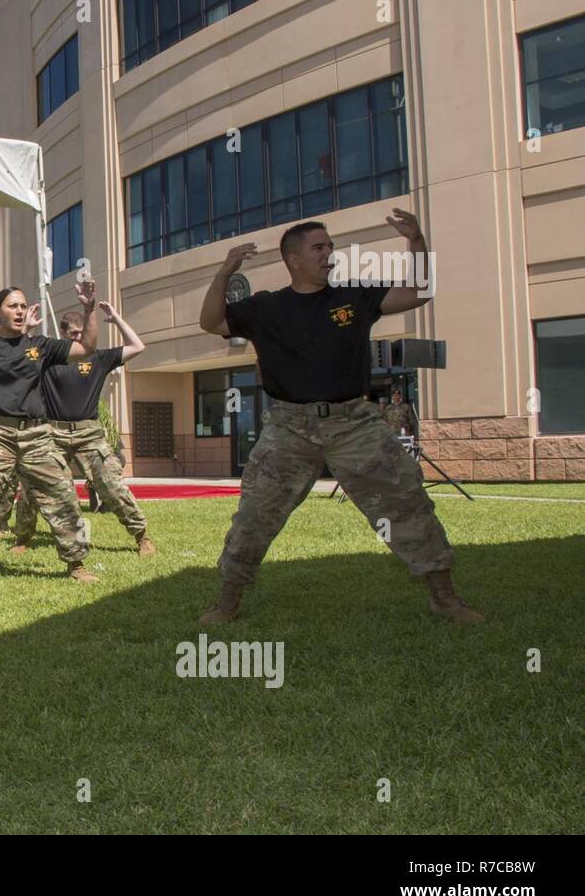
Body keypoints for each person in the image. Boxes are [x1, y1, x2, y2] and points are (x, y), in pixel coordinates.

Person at [197, 209, 482, 624]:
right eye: (319, 247)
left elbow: (419, 291)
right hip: (289, 427)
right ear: (294, 259)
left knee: (406, 504)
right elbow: (210, 321)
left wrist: (416, 240)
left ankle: (444, 598)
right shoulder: (265, 308)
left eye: (330, 246)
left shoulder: (354, 298)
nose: (329, 253)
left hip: (354, 423)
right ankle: (227, 601)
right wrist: (225, 272)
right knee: (255, 515)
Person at [0, 277, 100, 591]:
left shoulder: (40, 346)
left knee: (64, 498)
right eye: (13, 306)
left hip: (36, 434)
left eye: (23, 306)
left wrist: (89, 309)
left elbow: (86, 348)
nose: (20, 311)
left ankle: (76, 563)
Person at [11, 305, 156, 556]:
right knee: (32, 486)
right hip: (53, 434)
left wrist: (117, 319)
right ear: (63, 333)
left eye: (82, 333)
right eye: (74, 333)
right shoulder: (47, 359)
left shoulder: (99, 358)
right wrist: (26, 329)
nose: (78, 337)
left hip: (89, 435)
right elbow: (14, 356)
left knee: (112, 485)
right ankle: (23, 537)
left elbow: (137, 346)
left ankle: (142, 536)